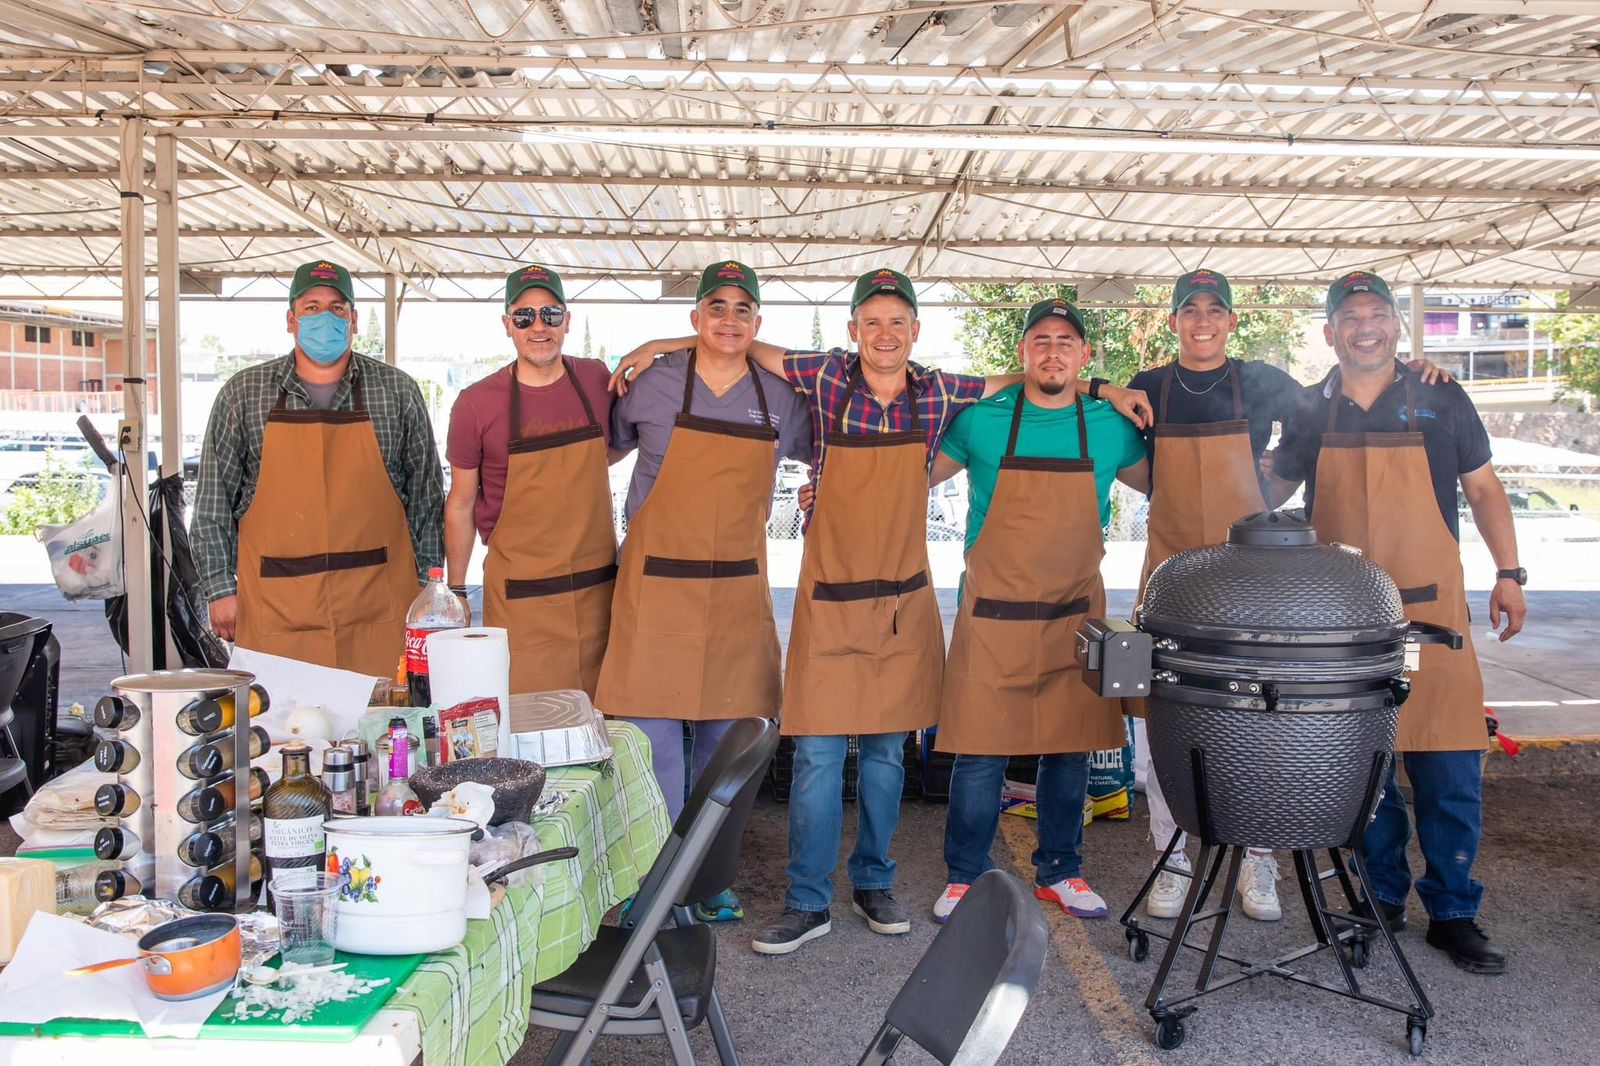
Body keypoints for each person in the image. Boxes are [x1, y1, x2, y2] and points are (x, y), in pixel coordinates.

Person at [612, 271, 1150, 956]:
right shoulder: (827, 378)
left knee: (887, 760)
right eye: (872, 322)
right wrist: (665, 341)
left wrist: (1105, 388)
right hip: (829, 602)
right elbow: (745, 345)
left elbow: (1022, 378)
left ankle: (874, 882)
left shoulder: (940, 392)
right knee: (815, 758)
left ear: (916, 332)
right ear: (853, 331)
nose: (885, 334)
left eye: (898, 322)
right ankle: (806, 900)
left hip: (901, 603)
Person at [1119, 268, 1448, 923]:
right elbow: (1111, 444)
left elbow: (1331, 400)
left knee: (1262, 722)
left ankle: (1258, 864)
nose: (1204, 321)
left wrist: (1407, 369)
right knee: (1159, 719)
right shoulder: (1147, 389)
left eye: (1216, 310)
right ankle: (1173, 858)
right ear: (1174, 321)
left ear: (1232, 320)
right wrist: (1099, 385)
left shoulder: (1266, 382)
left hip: (1255, 589)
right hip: (1170, 585)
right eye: (1191, 311)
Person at [1275, 269, 1525, 975]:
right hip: (1343, 620)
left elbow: (1483, 487)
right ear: (1329, 333)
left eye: (1377, 314)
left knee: (1446, 762)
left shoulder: (1441, 396)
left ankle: (1454, 911)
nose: (1364, 326)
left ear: (1396, 326)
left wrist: (1510, 574)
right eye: (1348, 317)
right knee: (1364, 767)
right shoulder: (1307, 408)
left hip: (1431, 613)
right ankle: (1378, 897)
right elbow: (1274, 484)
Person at [601, 260, 813, 923]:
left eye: (742, 308)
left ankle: (707, 874)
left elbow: (836, 448)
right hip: (655, 589)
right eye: (716, 307)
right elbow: (591, 458)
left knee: (726, 742)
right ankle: (653, 874)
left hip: (736, 595)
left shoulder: (783, 397)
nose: (729, 318)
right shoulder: (650, 383)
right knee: (652, 739)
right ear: (695, 318)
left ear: (758, 323)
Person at [931, 299, 1149, 924]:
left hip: (1074, 615)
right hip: (992, 612)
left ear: (1083, 357)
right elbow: (906, 480)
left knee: (1070, 747)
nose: (1052, 350)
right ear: (1023, 353)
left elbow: (1172, 485)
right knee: (979, 749)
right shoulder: (980, 421)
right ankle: (964, 875)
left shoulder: (1110, 426)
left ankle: (1062, 870)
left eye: (1065, 342)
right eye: (1040, 340)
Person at [191, 259, 443, 676]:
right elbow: (213, 504)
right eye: (311, 307)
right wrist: (219, 589)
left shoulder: (396, 390)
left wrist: (428, 586)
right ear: (291, 319)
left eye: (337, 308)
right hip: (278, 606)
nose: (325, 317)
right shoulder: (244, 393)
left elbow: (426, 498)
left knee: (385, 725)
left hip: (378, 603)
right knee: (285, 731)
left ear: (354, 320)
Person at [443, 265, 620, 697]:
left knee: (603, 727)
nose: (538, 327)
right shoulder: (476, 404)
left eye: (550, 315)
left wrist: (659, 345)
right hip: (523, 604)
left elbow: (624, 443)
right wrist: (457, 590)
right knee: (528, 726)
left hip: (599, 596)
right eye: (524, 317)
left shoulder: (597, 380)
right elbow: (461, 503)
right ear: (507, 325)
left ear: (567, 321)